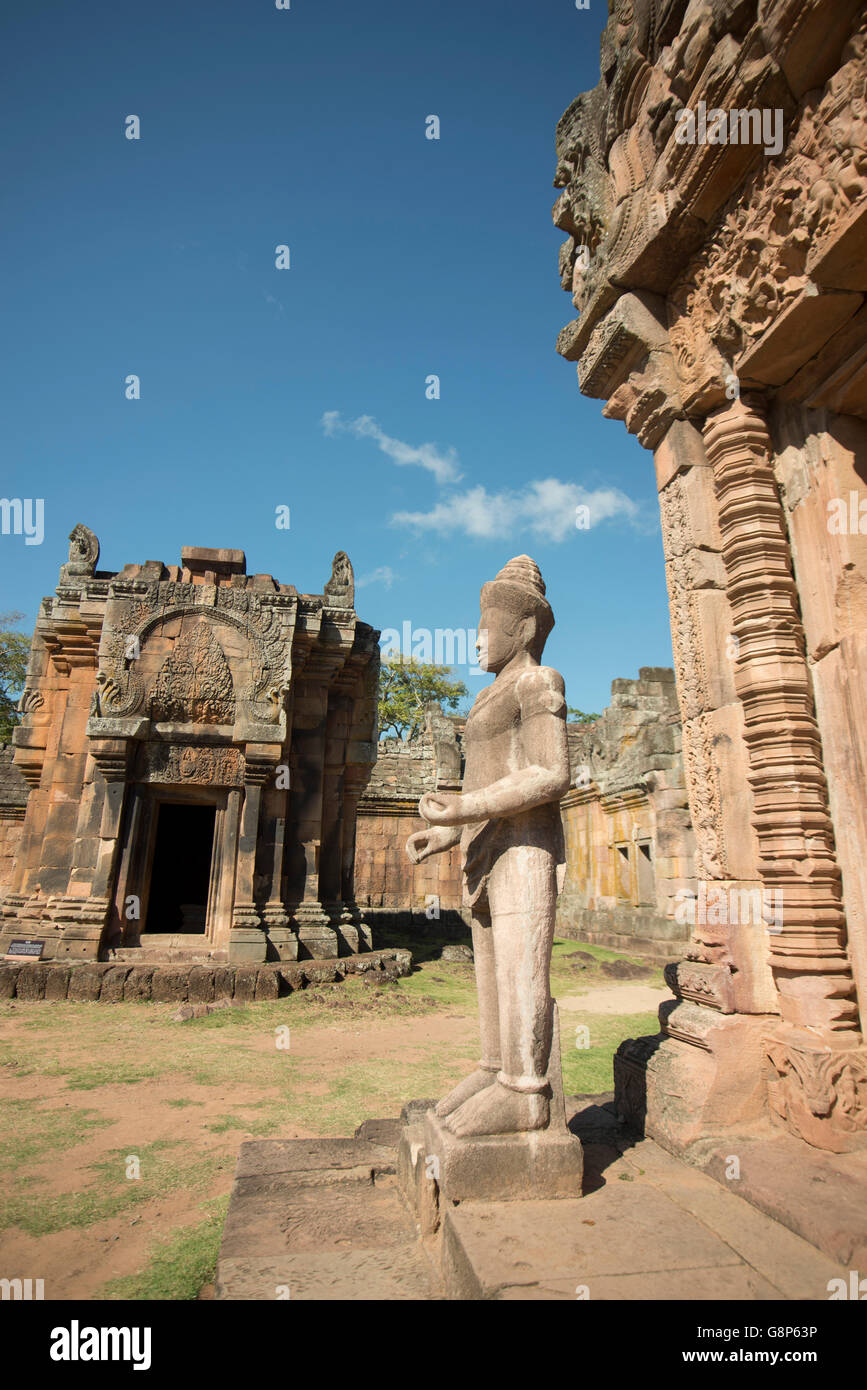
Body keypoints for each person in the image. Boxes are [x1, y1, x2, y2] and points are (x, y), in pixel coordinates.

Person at [406, 556, 570, 1136]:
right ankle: (496, 1068)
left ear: (523, 628)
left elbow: (551, 774)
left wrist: (466, 808)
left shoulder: (537, 682)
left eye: (485, 625)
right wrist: (449, 828)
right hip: (486, 846)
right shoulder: (488, 696)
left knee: (522, 969)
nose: (475, 639)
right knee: (491, 969)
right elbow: (484, 777)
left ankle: (526, 1091)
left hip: (525, 844)